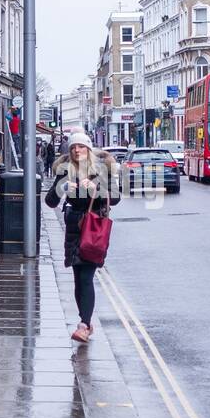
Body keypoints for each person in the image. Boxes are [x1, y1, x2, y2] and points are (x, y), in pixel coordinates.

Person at [44, 132, 121, 343]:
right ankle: (85, 321)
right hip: (73, 229)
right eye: (73, 148)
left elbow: (115, 198)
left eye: (81, 147)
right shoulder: (64, 171)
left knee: (86, 276)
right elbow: (50, 202)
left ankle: (84, 325)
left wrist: (96, 188)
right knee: (78, 279)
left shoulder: (102, 169)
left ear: (88, 148)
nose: (77, 150)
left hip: (93, 228)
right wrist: (62, 188)